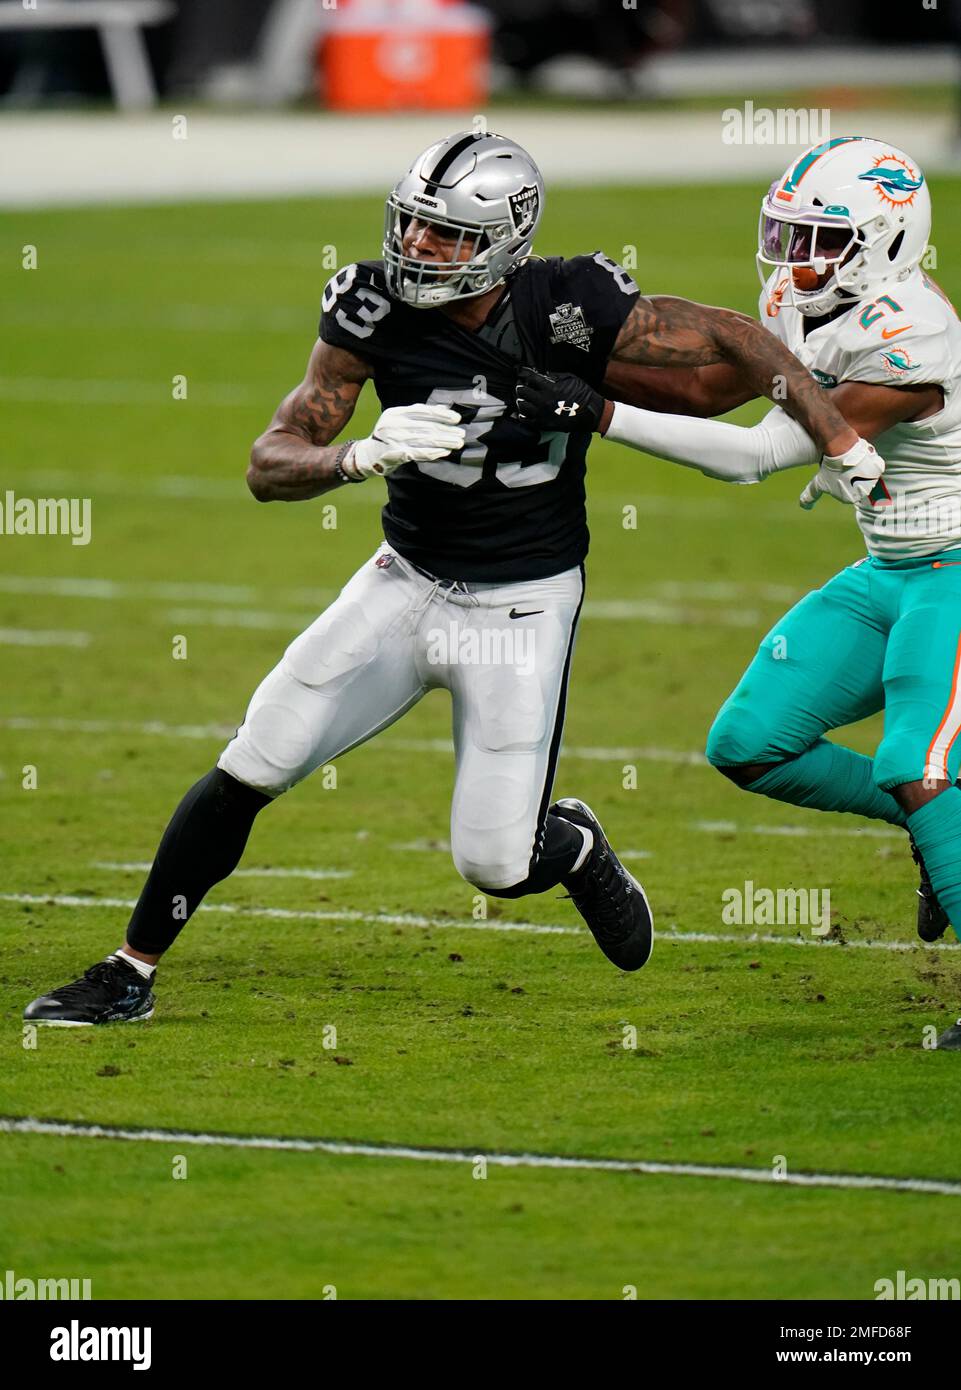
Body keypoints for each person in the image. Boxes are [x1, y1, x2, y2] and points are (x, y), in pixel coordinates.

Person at [24, 131, 866, 1025]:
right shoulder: (369, 305)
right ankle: (129, 971)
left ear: (505, 238)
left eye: (446, 233)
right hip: (404, 580)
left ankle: (573, 845)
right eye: (411, 224)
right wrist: (354, 457)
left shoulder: (569, 300)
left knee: (494, 864)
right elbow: (269, 464)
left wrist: (838, 436)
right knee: (256, 758)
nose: (417, 246)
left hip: (522, 604)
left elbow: (733, 338)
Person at [515, 136, 961, 1045]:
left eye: (819, 240)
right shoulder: (809, 300)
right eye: (786, 235)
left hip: (953, 567)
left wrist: (596, 413)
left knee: (912, 766)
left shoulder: (909, 332)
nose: (793, 261)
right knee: (750, 744)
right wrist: (577, 359)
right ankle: (939, 828)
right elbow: (713, 389)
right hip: (889, 569)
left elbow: (759, 452)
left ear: (886, 240)